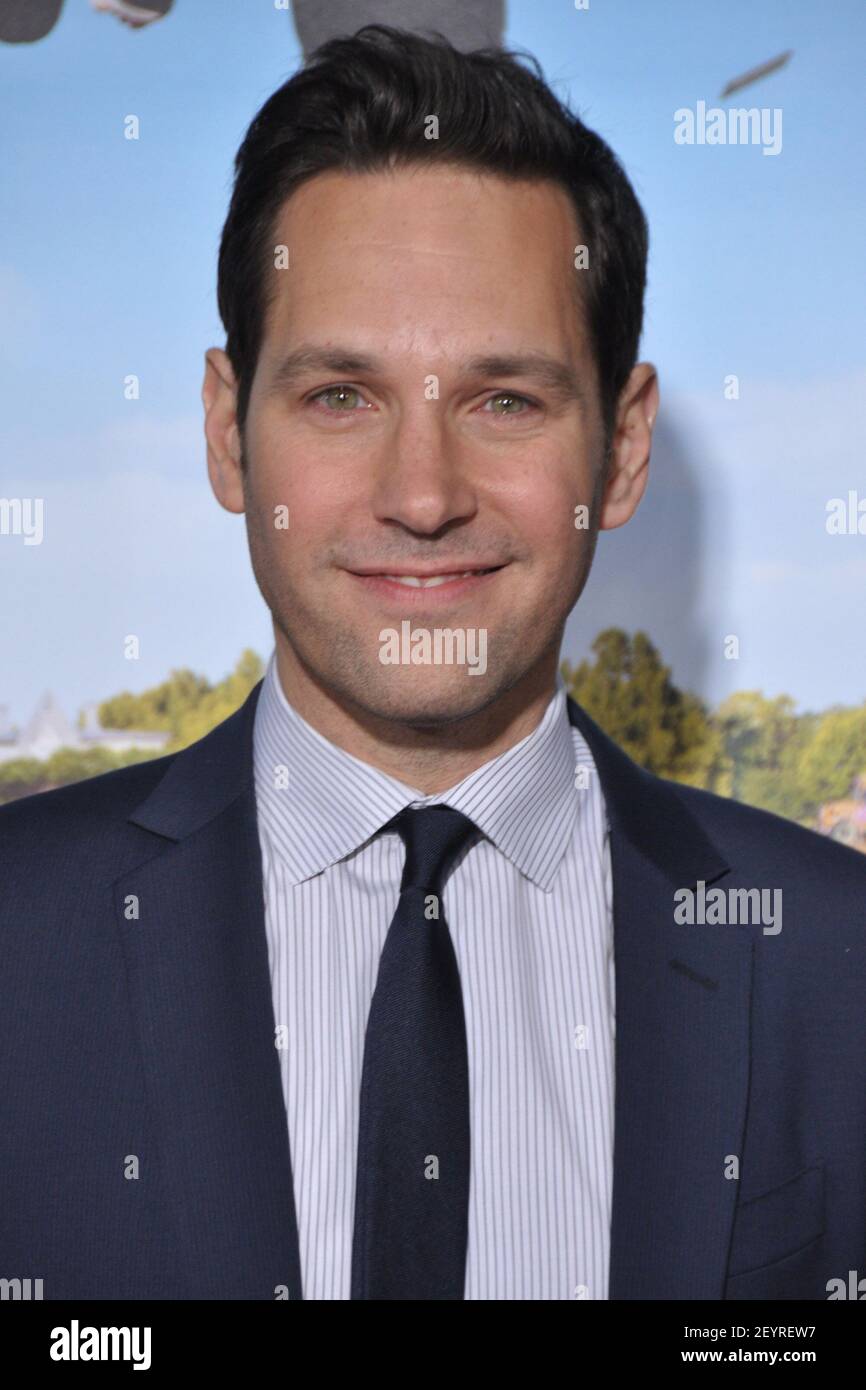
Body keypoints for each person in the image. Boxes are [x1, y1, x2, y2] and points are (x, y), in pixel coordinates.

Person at [2, 25, 865, 1302]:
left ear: (620, 451)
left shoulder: (832, 966)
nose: (421, 496)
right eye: (341, 395)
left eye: (502, 399)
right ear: (226, 434)